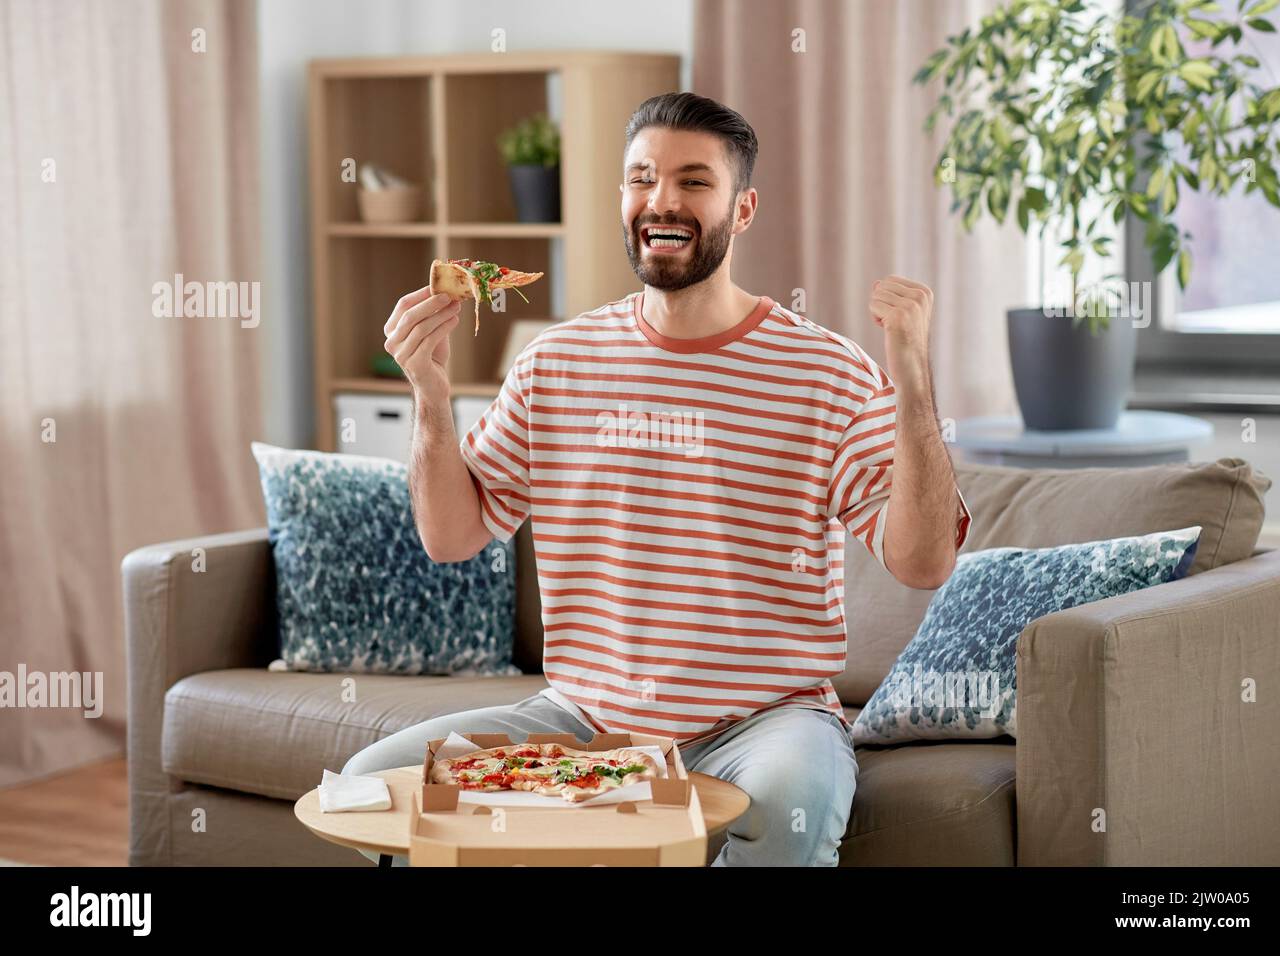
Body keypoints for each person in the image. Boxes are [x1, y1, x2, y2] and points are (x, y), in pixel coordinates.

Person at [346, 91, 972, 866]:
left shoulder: (827, 372)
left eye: (693, 181)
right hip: (582, 718)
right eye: (641, 177)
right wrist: (431, 397)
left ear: (742, 210)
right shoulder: (554, 363)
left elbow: (924, 561)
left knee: (789, 809)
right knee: (376, 783)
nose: (662, 200)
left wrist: (912, 379)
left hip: (765, 723)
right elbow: (450, 537)